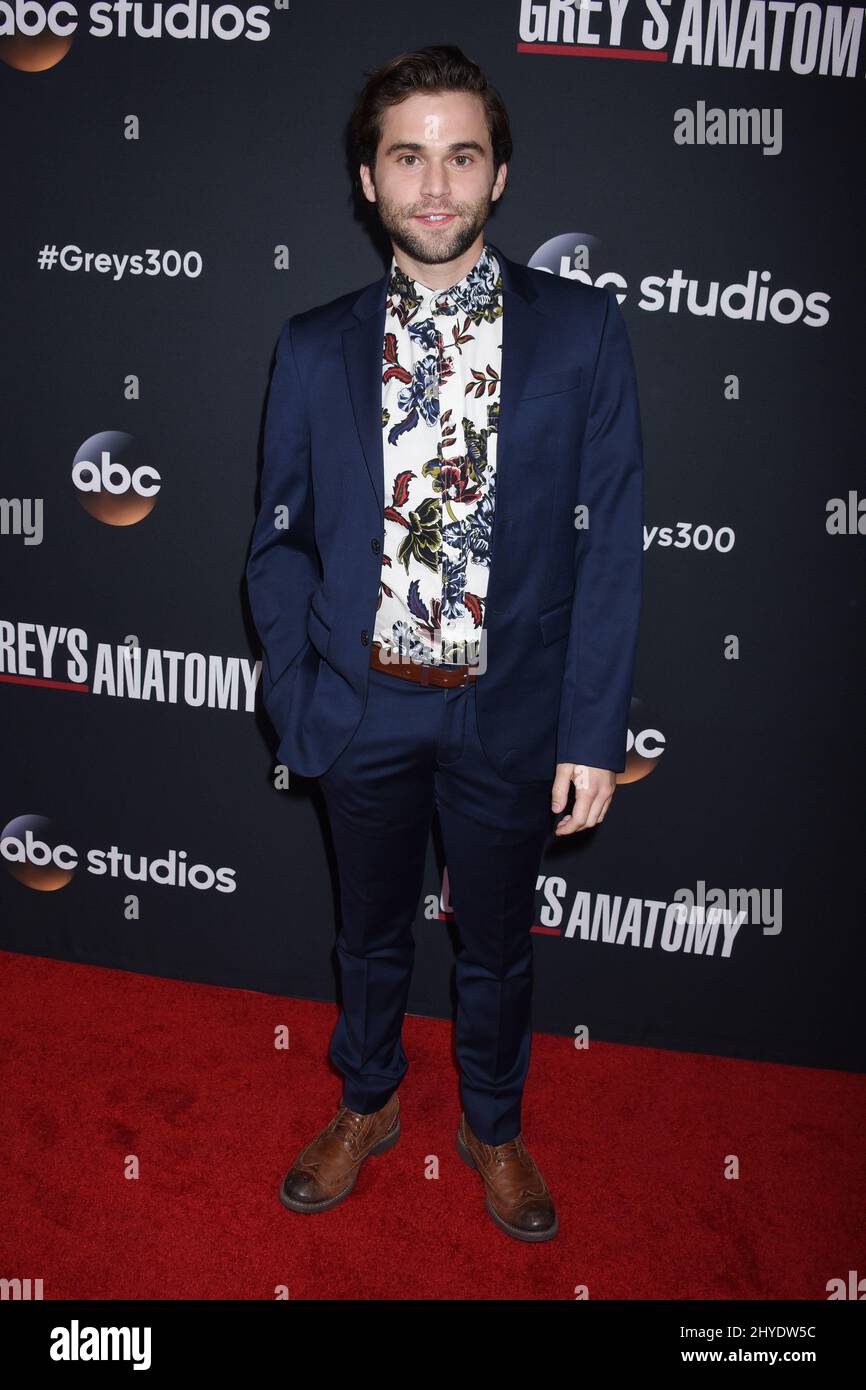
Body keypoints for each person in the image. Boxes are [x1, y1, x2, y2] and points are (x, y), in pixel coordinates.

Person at [245, 45, 644, 1243]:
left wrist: (588, 730)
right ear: (368, 179)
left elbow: (610, 544)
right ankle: (366, 1102)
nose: (434, 183)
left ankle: (491, 1122)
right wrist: (300, 683)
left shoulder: (580, 334)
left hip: (508, 711)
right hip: (360, 705)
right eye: (406, 155)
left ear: (498, 174)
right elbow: (276, 541)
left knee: (494, 948)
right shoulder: (313, 346)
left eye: (459, 155)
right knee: (365, 933)